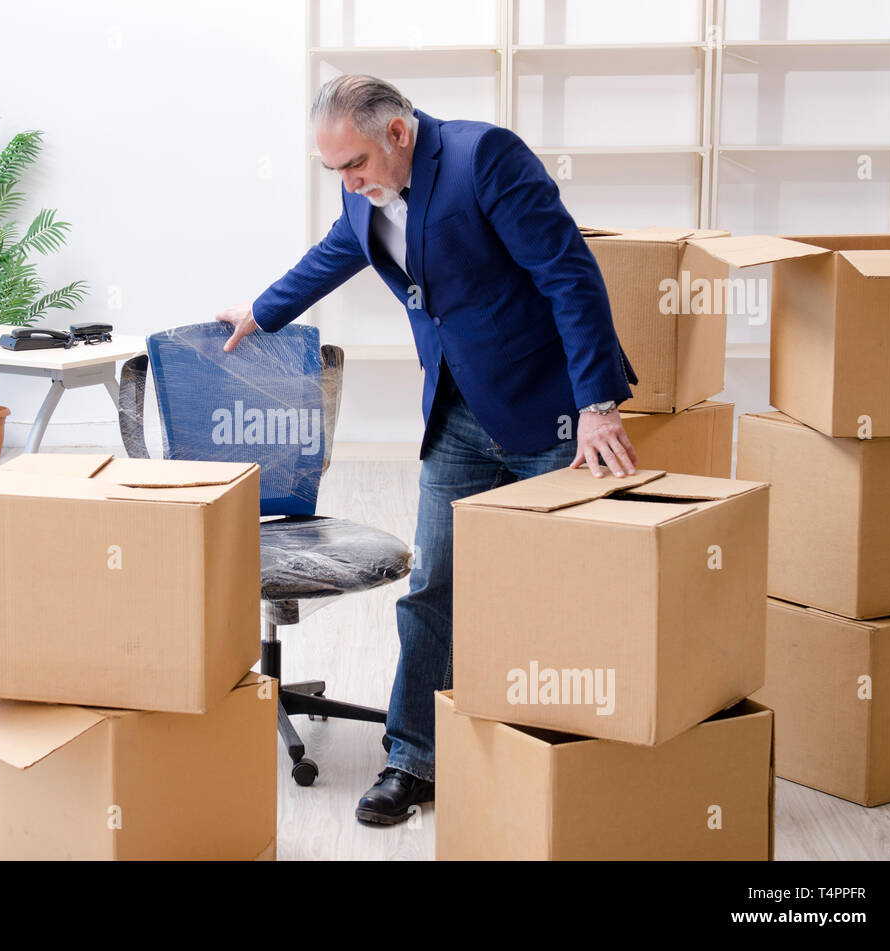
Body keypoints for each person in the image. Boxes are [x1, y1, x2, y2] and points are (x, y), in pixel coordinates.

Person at [216, 74, 640, 826]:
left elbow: (569, 274)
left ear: (399, 135)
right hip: (457, 414)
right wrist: (260, 310)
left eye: (354, 165)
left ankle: (563, 762)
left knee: (562, 595)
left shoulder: (486, 160)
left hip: (552, 415)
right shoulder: (363, 190)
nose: (346, 182)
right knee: (434, 585)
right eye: (335, 170)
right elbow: (333, 254)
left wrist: (597, 406)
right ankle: (413, 760)